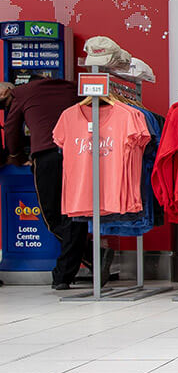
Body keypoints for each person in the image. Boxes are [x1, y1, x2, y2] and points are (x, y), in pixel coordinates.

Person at [0, 79, 106, 290]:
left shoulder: (20, 94)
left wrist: (17, 156)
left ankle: (88, 258)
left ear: (7, 91)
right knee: (75, 213)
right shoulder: (71, 87)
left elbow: (12, 130)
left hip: (47, 155)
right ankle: (69, 271)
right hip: (79, 154)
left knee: (52, 216)